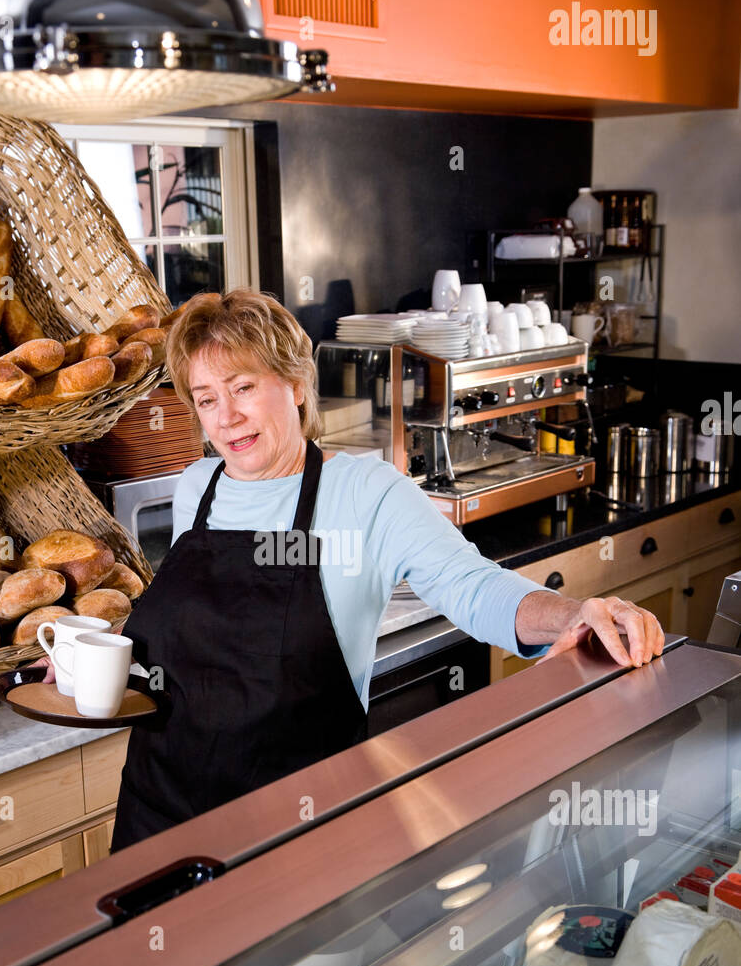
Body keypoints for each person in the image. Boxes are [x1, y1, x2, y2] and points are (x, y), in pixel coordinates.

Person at [97, 289, 663, 851]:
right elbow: (193, 643)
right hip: (161, 817)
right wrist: (98, 661)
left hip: (300, 830)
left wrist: (575, 613)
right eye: (206, 399)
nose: (227, 418)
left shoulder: (364, 492)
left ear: (295, 384)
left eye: (243, 388)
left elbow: (471, 584)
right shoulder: (197, 487)